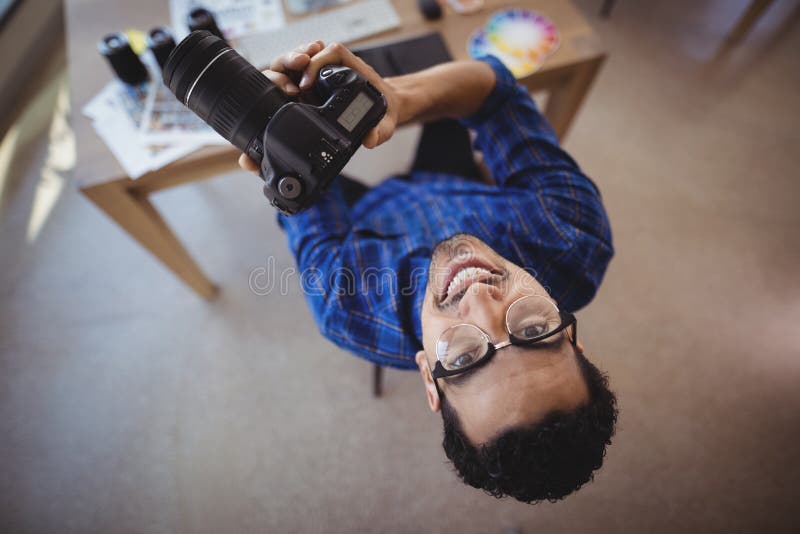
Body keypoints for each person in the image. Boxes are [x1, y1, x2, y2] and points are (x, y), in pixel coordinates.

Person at [239, 41, 618, 504]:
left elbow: (299, 200)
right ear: (571, 338)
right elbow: (498, 91)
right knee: (432, 54)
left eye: (462, 358)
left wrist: (283, 139)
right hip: (457, 180)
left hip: (367, 214)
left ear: (428, 376)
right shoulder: (573, 233)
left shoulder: (346, 306)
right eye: (536, 328)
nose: (478, 297)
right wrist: (401, 99)